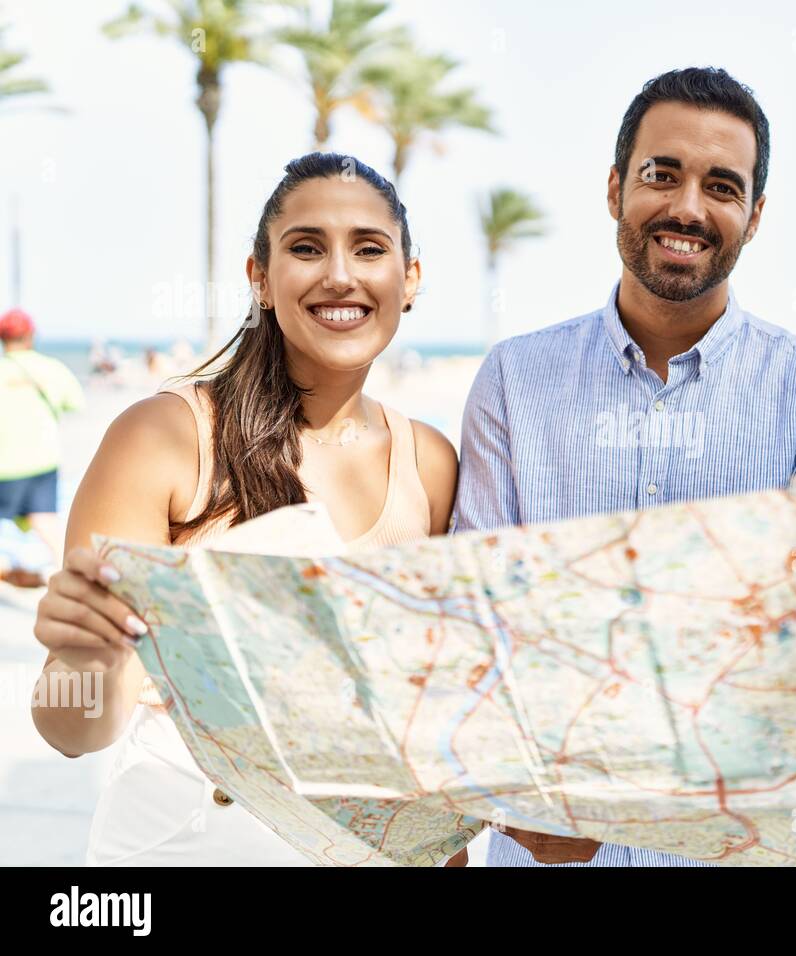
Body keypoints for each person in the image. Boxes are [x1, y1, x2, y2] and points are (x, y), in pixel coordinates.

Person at [453, 67, 796, 866]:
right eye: (661, 174)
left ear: (753, 217)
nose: (687, 208)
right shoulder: (514, 381)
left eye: (722, 186)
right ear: (615, 188)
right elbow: (480, 629)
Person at [29, 152, 469, 866]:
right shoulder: (167, 437)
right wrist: (88, 654)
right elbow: (73, 729)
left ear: (408, 279)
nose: (339, 274)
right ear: (259, 279)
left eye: (369, 248)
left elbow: (426, 733)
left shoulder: (431, 464)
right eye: (305, 248)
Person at [0, 307, 85, 584]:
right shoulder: (50, 368)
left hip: (5, 463)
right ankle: (75, 575)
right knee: (46, 521)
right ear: (30, 336)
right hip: (42, 460)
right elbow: (75, 402)